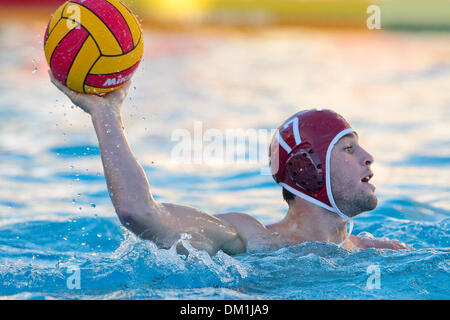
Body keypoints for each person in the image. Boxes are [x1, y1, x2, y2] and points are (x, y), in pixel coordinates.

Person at [49, 71, 408, 255]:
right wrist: (105, 111)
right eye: (347, 149)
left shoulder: (372, 250)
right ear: (306, 168)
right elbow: (138, 212)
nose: (368, 157)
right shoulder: (249, 238)